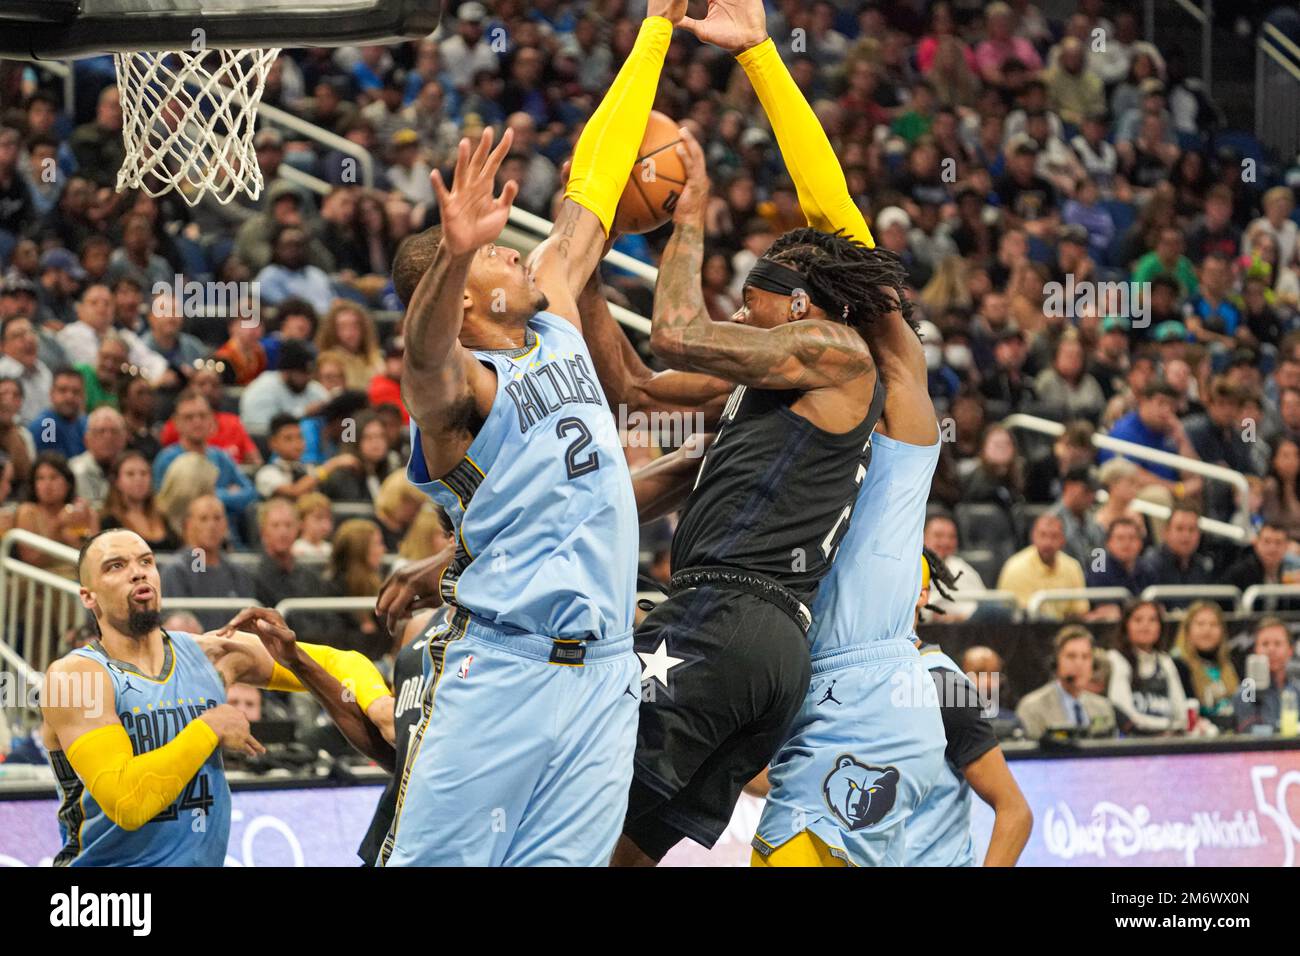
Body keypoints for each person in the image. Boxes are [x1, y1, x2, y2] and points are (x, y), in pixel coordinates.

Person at [378, 6, 678, 868]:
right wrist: (450, 253)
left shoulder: (554, 318)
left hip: (608, 673)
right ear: (466, 297)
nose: (516, 252)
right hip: (500, 672)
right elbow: (423, 362)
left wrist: (656, 25)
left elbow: (595, 182)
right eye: (492, 253)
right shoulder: (462, 391)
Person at [614, 6, 908, 864]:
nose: (741, 313)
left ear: (804, 303)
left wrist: (691, 215)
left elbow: (673, 331)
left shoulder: (830, 349)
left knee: (577, 789)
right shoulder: (778, 386)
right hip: (768, 644)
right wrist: (576, 266)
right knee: (631, 849)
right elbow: (637, 381)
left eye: (755, 299)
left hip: (732, 611)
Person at [41, 527, 396, 865]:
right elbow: (127, 803)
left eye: (146, 561)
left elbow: (341, 661)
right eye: (116, 566)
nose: (138, 573)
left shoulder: (213, 655)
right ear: (88, 596)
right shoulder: (75, 678)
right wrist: (209, 727)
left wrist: (378, 704)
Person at [910, 552, 1033, 866]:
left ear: (922, 594)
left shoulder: (941, 682)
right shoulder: (849, 676)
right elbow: (768, 780)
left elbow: (1015, 811)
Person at [154, 389, 256, 534]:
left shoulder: (222, 457)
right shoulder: (167, 459)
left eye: (202, 416)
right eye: (189, 417)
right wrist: (224, 494)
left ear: (211, 419)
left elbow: (249, 494)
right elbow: (167, 504)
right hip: (184, 537)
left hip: (228, 537)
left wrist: (211, 495)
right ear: (177, 422)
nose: (197, 422)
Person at [160, 495, 258, 632]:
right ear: (189, 524)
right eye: (203, 519)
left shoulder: (238, 573)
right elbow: (176, 627)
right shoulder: (176, 571)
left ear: (225, 524)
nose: (211, 525)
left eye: (217, 518)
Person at [1015, 625, 1118, 740]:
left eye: (1085, 657)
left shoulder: (1103, 708)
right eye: (1071, 656)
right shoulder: (1032, 707)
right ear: (1055, 662)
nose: (1079, 664)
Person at [1107, 599, 1188, 735]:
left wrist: (1174, 727)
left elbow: (1181, 713)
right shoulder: (1115, 659)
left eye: (1152, 620)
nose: (1146, 625)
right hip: (1133, 743)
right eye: (1138, 620)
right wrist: (1168, 726)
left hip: (1168, 742)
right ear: (1126, 626)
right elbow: (1127, 717)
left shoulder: (1165, 661)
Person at [997, 513, 1089, 619]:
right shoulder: (1015, 568)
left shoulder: (1072, 566)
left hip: (1064, 631)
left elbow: (1080, 612)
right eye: (1042, 535)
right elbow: (1019, 616)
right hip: (1025, 631)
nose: (1048, 543)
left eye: (1054, 536)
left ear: (1063, 540)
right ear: (1033, 536)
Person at [255, 413, 359, 500]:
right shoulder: (266, 473)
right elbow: (294, 492)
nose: (296, 444)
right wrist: (332, 464)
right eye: (288, 439)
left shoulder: (309, 469)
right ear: (273, 443)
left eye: (300, 437)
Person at [238, 339, 330, 434]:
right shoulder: (262, 389)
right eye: (303, 373)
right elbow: (261, 432)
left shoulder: (311, 387)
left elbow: (327, 401)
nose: (308, 378)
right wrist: (303, 413)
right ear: (287, 371)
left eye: (310, 373)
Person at [1172, 600, 1238, 728]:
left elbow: (1246, 704)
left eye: (1213, 624)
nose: (1207, 630)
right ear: (1187, 629)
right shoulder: (1178, 665)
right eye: (1200, 624)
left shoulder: (1231, 664)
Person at [100, 449, 180, 552]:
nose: (138, 479)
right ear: (117, 481)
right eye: (130, 474)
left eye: (143, 473)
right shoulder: (108, 521)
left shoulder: (162, 516)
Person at [1233, 618, 1300, 733]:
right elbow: (1247, 731)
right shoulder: (1246, 693)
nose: (1271, 649)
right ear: (1256, 650)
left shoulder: (1297, 689)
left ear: (1290, 650)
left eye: (1278, 643)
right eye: (1265, 644)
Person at [921, 513, 987, 621]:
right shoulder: (912, 570)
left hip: (974, 628)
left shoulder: (963, 568)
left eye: (951, 537)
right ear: (923, 538)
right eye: (939, 536)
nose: (946, 542)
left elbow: (985, 601)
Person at [68, 406, 127, 509]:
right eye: (101, 431)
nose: (108, 438)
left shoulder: (132, 469)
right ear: (87, 439)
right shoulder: (74, 470)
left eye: (114, 431)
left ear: (124, 438)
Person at [28, 367, 87, 458]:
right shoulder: (47, 425)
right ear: (52, 393)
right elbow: (50, 467)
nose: (69, 397)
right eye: (63, 390)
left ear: (83, 395)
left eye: (76, 392)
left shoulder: (85, 423)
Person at [292, 492, 334, 561]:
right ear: (301, 523)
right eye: (318, 518)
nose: (324, 523)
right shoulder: (295, 549)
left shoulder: (331, 549)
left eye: (328, 518)